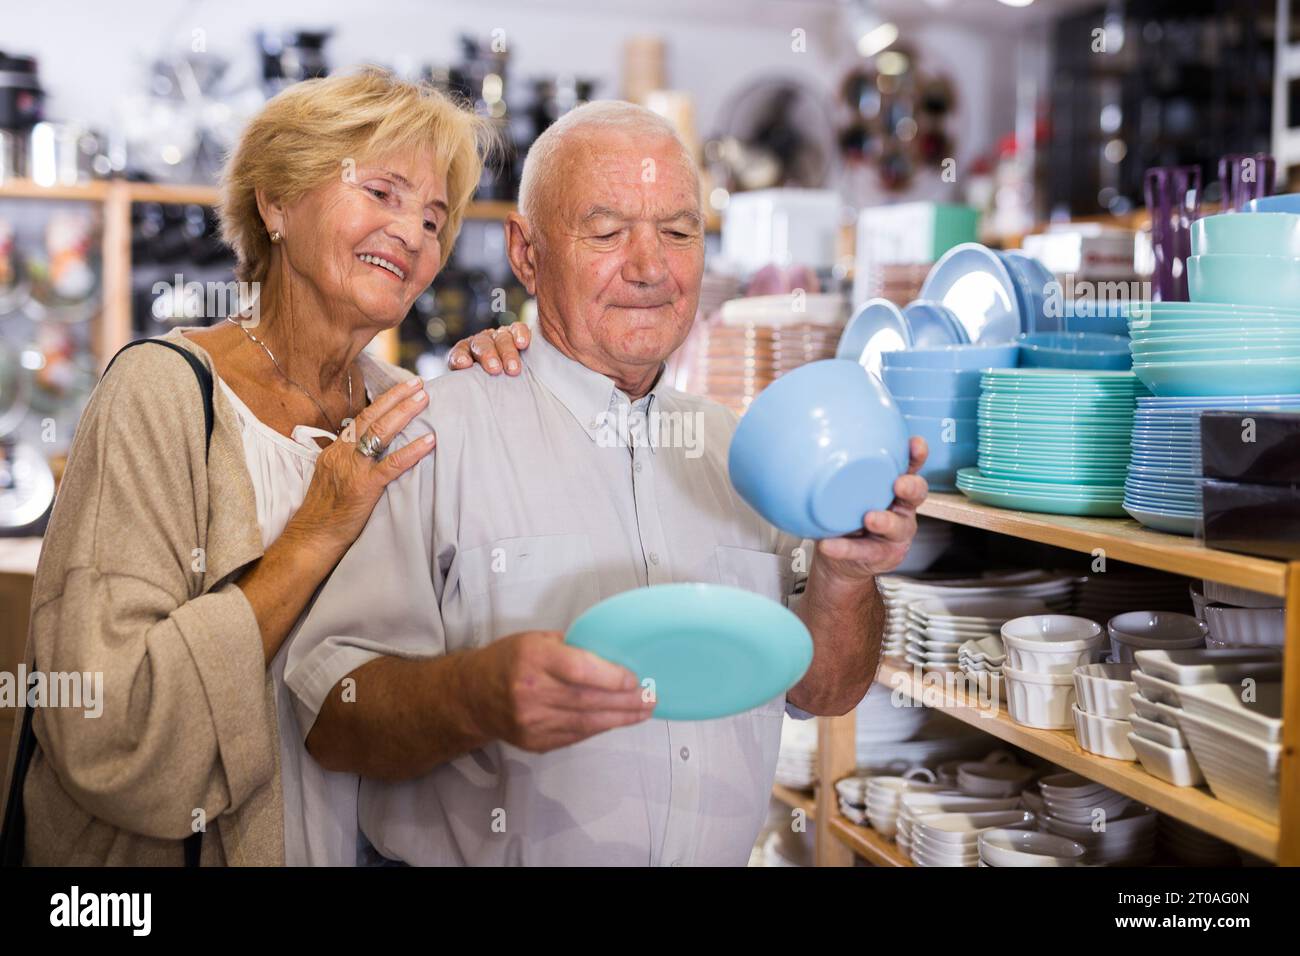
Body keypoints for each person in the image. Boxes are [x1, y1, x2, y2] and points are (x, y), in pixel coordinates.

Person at [284, 100, 928, 866]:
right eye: (607, 231)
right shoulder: (431, 433)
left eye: (679, 232)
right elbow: (331, 713)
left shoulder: (743, 454)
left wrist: (847, 579)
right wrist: (475, 696)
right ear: (526, 253)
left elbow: (822, 690)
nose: (651, 267)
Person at [4, 69, 522, 865]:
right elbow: (109, 727)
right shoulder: (164, 393)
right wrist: (316, 528)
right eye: (381, 192)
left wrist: (508, 393)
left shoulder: (414, 410)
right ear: (277, 203)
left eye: (433, 217)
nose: (415, 233)